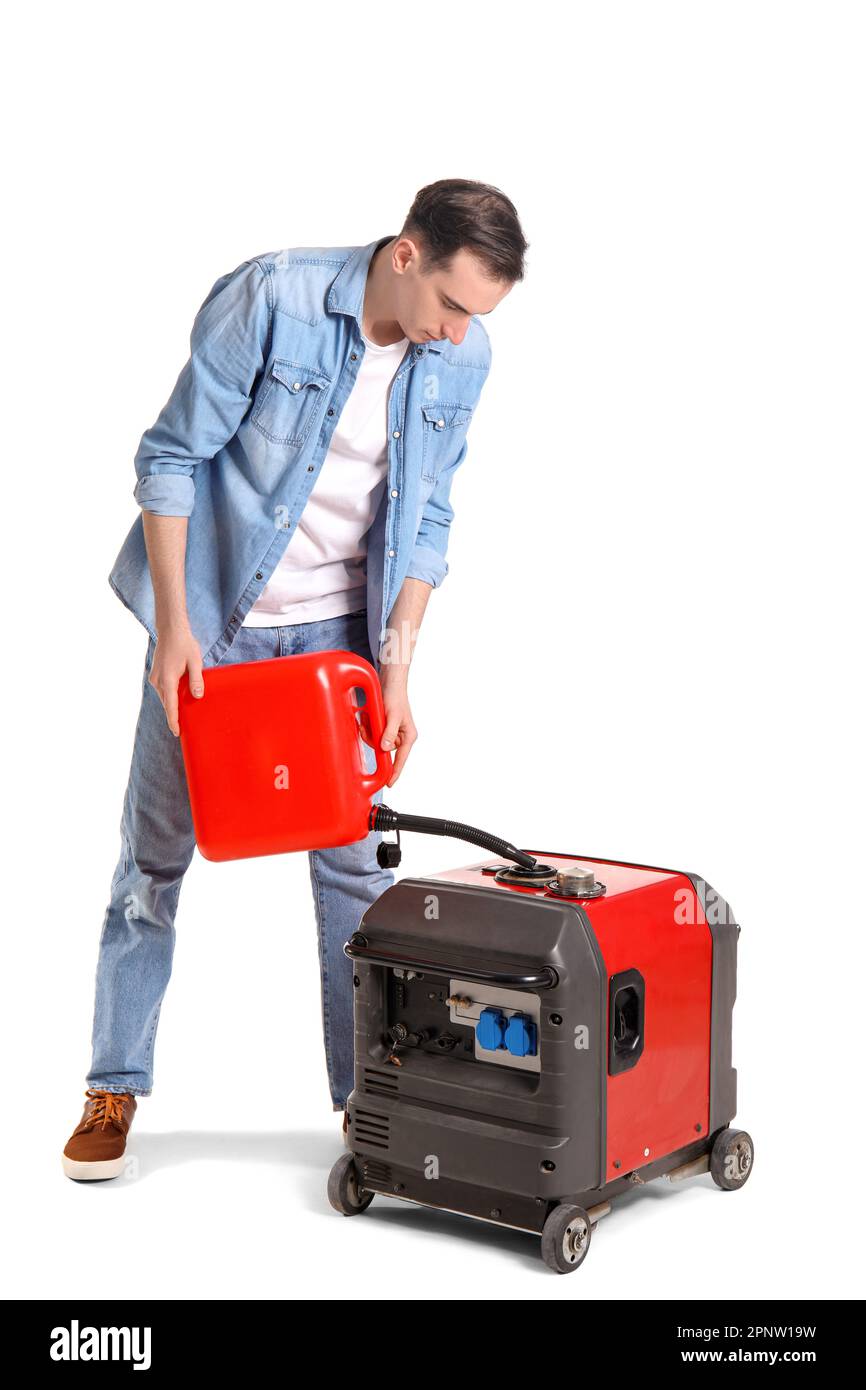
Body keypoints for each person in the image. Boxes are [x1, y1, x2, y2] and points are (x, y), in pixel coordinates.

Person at [62, 178, 528, 1180]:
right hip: (215, 626)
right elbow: (173, 459)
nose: (456, 335)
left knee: (359, 881)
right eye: (451, 305)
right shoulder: (272, 297)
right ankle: (113, 1083)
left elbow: (427, 519)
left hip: (337, 645)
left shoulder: (463, 355)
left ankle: (368, 1103)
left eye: (476, 317)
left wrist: (395, 672)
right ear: (406, 254)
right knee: (152, 862)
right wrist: (174, 633)